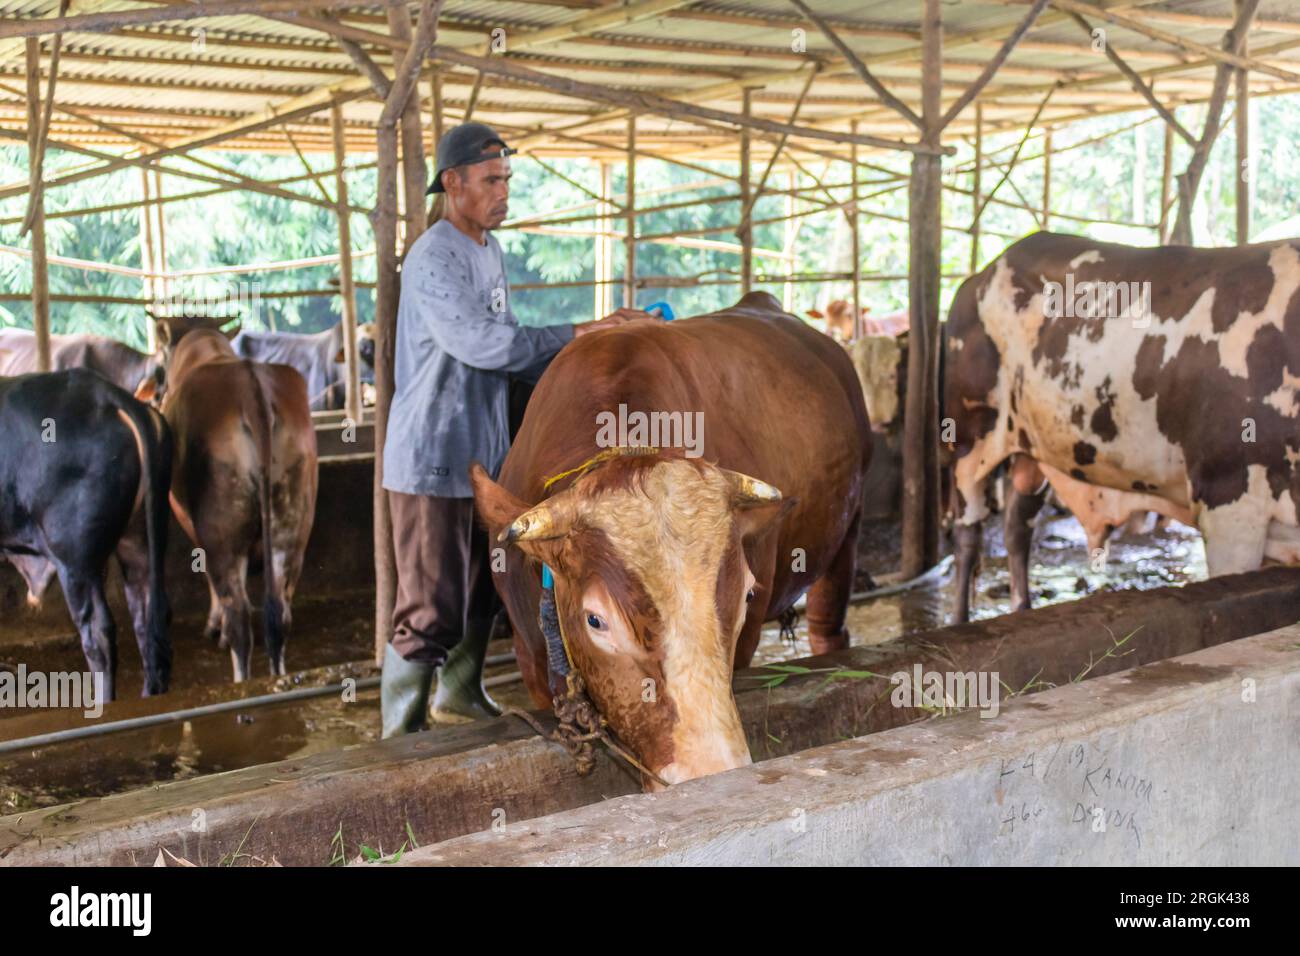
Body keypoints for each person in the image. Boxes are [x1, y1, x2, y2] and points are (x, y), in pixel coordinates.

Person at [380, 121, 657, 737]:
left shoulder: (488, 251)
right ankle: (397, 734)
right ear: (453, 184)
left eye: (507, 179)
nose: (503, 192)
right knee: (431, 605)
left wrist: (591, 344)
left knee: (485, 586)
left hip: (483, 456)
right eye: (491, 180)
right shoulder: (432, 258)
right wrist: (583, 334)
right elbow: (483, 343)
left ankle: (458, 695)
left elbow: (512, 341)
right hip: (431, 456)